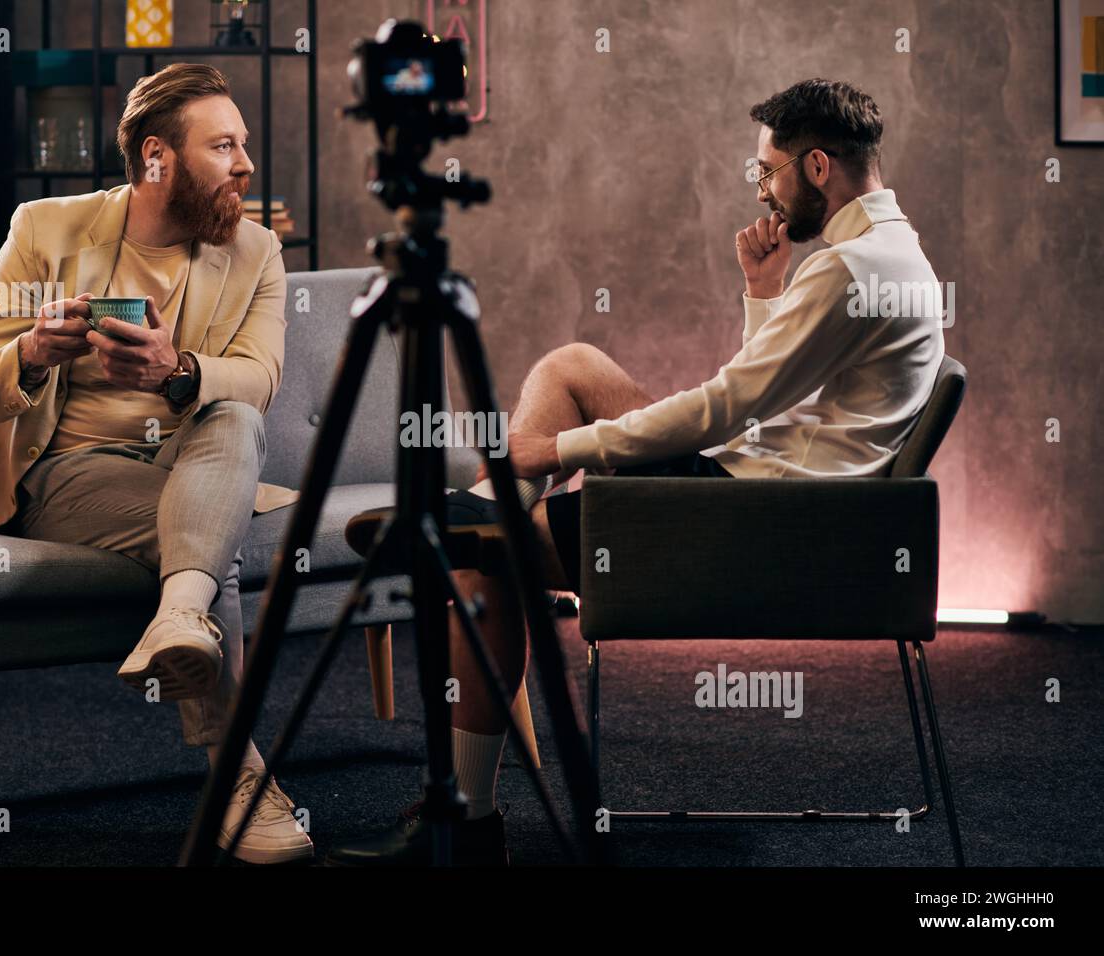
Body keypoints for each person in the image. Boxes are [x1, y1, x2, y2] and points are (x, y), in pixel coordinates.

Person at [328, 77, 946, 865]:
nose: (764, 190)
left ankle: (464, 825)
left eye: (768, 172)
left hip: (751, 524)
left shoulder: (847, 270)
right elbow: (761, 401)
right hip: (779, 497)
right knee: (572, 366)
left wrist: (559, 453)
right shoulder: (898, 253)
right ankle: (485, 509)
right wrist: (762, 295)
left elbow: (728, 408)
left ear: (816, 166)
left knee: (486, 564)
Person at [0, 63, 311, 865]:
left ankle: (178, 622)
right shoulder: (46, 229)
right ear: (158, 157)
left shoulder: (256, 248)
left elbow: (259, 380)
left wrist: (178, 370)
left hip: (201, 458)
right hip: (69, 472)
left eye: (244, 143)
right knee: (211, 554)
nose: (245, 164)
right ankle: (239, 776)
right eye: (224, 145)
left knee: (229, 417)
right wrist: (29, 352)